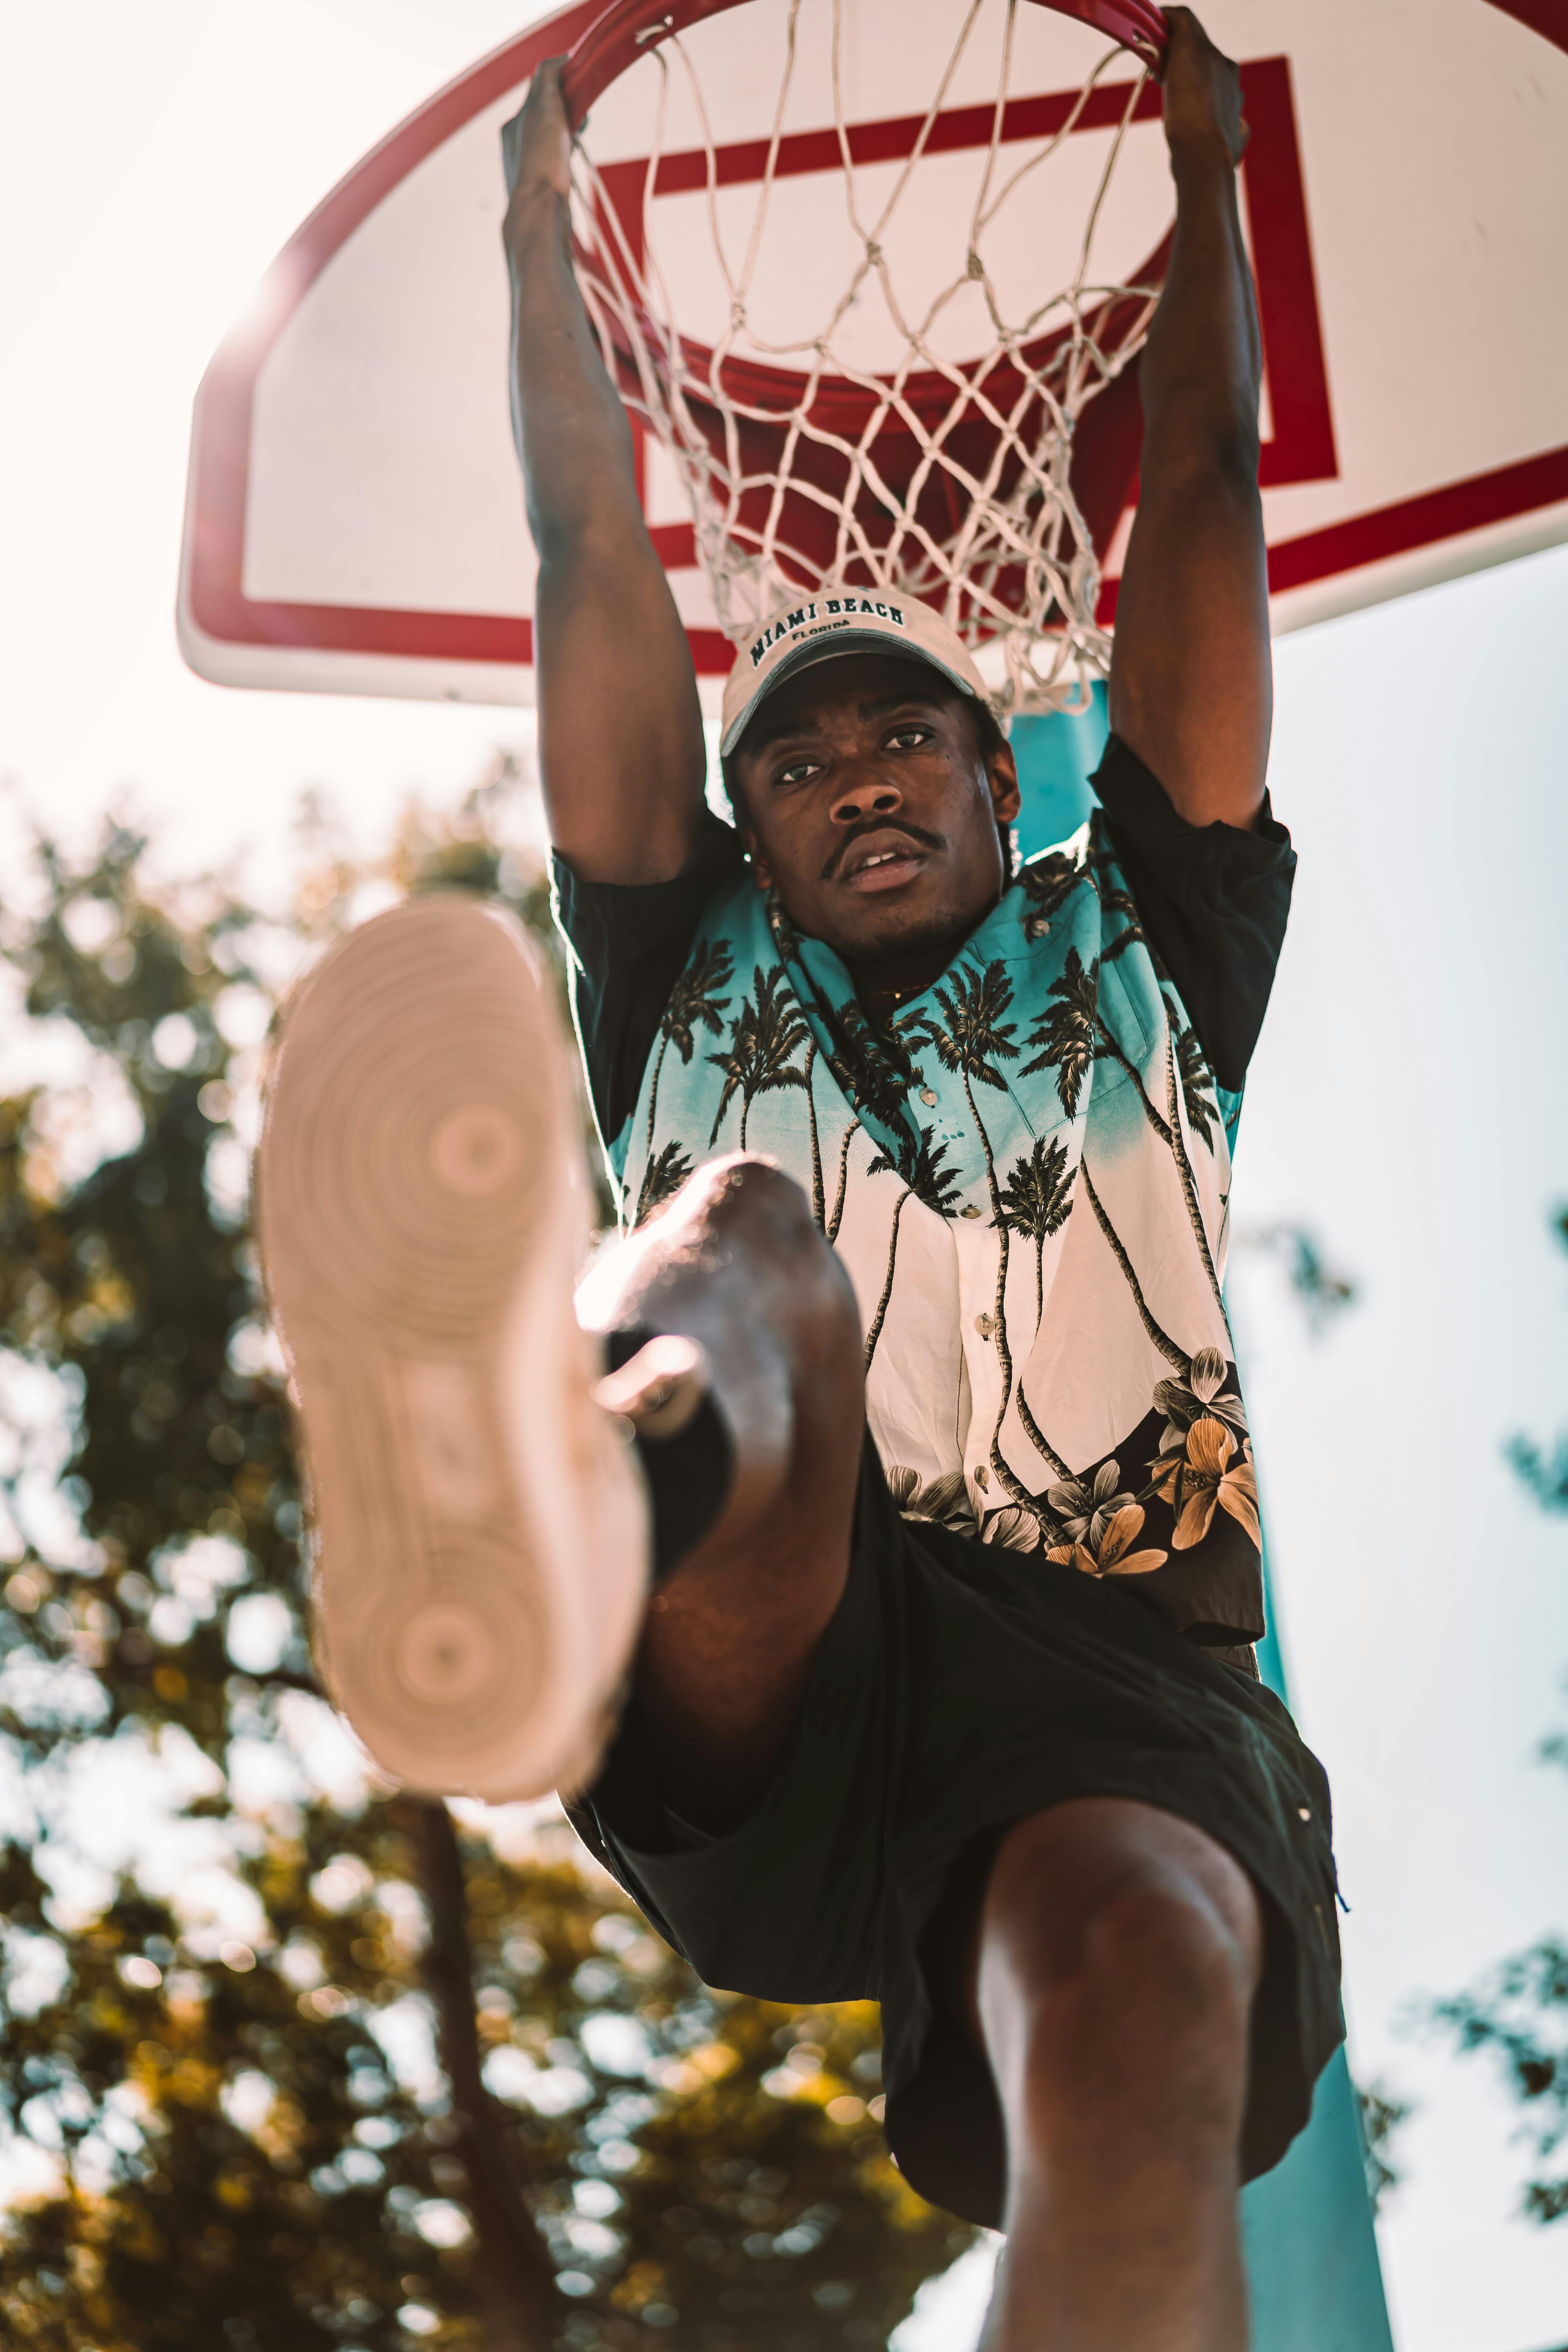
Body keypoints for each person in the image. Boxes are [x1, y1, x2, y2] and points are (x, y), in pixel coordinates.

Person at [257, 13, 1341, 2347]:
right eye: (802, 752)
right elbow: (584, 542)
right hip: (778, 1597)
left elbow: (1215, 481)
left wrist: (1207, 182)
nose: (852, 767)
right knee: (747, 1235)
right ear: (743, 825)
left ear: (993, 771)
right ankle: (573, 1502)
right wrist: (539, 239)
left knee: (1149, 1971)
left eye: (904, 732)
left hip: (1111, 1689)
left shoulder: (1145, 940)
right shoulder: (680, 963)